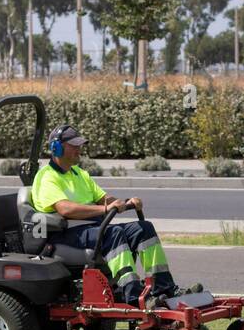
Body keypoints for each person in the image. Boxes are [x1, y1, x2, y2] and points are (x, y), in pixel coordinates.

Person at [30, 124, 197, 305]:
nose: (80, 149)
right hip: (64, 235)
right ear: (57, 148)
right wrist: (104, 210)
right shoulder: (46, 177)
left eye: (80, 145)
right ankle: (133, 295)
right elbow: (65, 209)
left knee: (143, 228)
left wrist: (126, 203)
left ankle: (165, 288)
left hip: (91, 230)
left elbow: (104, 199)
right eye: (74, 145)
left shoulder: (79, 173)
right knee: (114, 234)